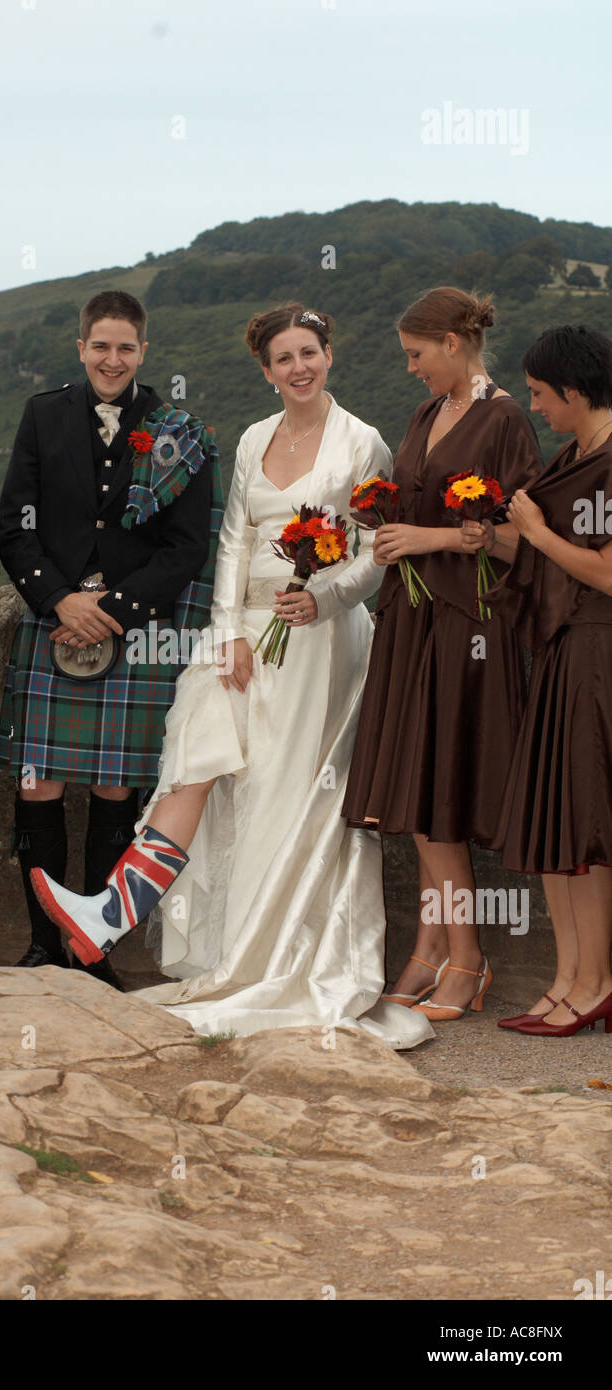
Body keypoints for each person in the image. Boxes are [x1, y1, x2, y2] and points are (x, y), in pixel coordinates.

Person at [31, 302, 433, 1049]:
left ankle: (271, 952)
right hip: (243, 633)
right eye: (283, 358)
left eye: (308, 352)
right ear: (266, 369)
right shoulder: (253, 437)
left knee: (285, 798)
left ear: (328, 355)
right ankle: (106, 916)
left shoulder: (362, 443)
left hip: (322, 644)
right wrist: (225, 635)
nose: (298, 367)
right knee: (194, 761)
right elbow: (230, 539)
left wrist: (321, 595)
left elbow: (376, 552)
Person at [0, 290, 219, 983]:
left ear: (142, 352)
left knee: (117, 789)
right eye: (100, 346)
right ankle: (41, 948)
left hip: (134, 629)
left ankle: (94, 953)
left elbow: (185, 551)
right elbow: (15, 525)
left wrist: (110, 608)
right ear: (81, 347)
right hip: (53, 616)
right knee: (39, 786)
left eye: (125, 348)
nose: (112, 359)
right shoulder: (42, 415)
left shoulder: (179, 430)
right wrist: (60, 599)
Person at [342, 287, 542, 1022]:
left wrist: (427, 539)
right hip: (412, 621)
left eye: (415, 354)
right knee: (423, 797)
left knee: (442, 802)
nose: (408, 368)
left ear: (453, 345)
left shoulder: (504, 419)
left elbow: (522, 538)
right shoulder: (427, 415)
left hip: (466, 627)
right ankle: (430, 950)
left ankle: (466, 959)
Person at [479, 325, 612, 1036]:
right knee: (560, 824)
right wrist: (482, 532)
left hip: (599, 653)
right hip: (565, 649)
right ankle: (569, 978)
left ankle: (594, 982)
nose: (534, 407)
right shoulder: (575, 455)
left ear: (573, 389)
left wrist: (531, 532)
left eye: (538, 394)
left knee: (588, 826)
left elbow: (608, 572)